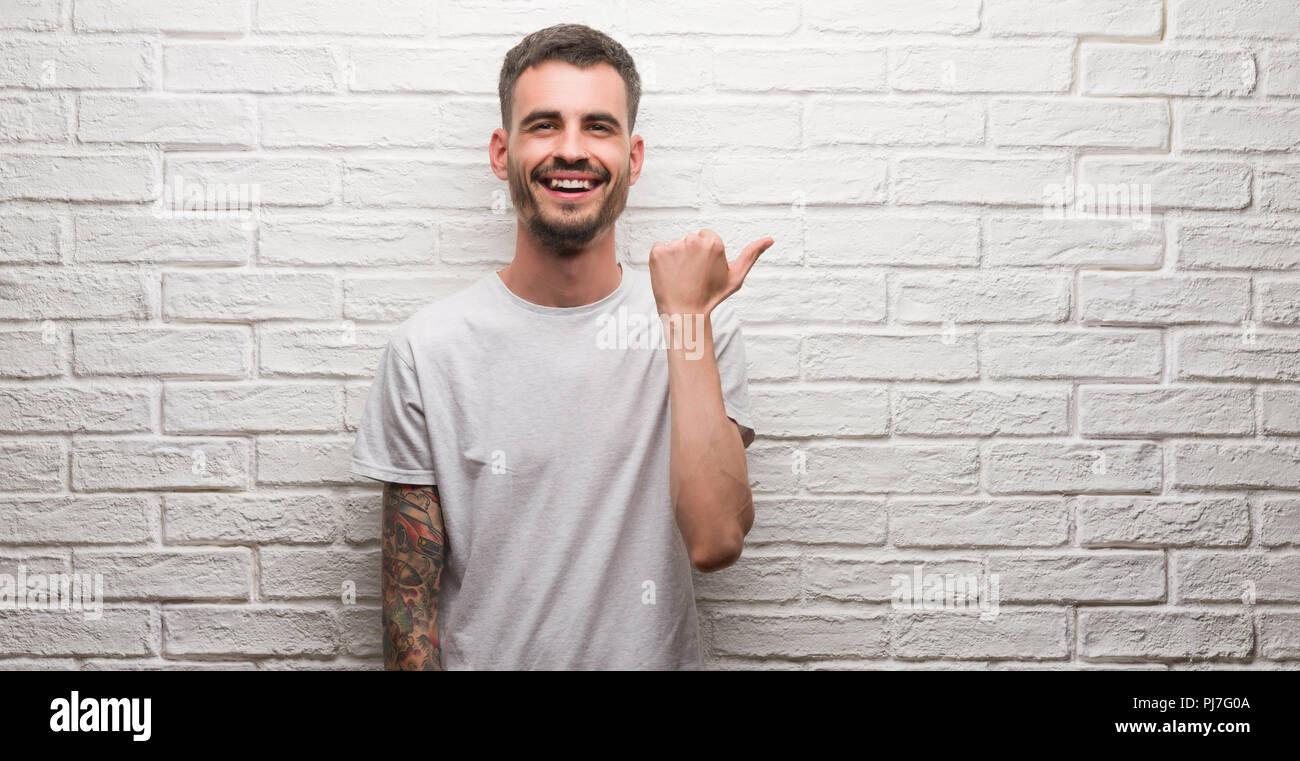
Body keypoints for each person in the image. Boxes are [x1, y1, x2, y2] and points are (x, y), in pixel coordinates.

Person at [348, 23, 772, 670]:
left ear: (633, 158)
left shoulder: (696, 328)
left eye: (597, 127)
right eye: (544, 124)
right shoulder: (426, 352)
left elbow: (716, 540)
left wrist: (686, 318)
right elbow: (410, 619)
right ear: (501, 152)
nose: (571, 149)